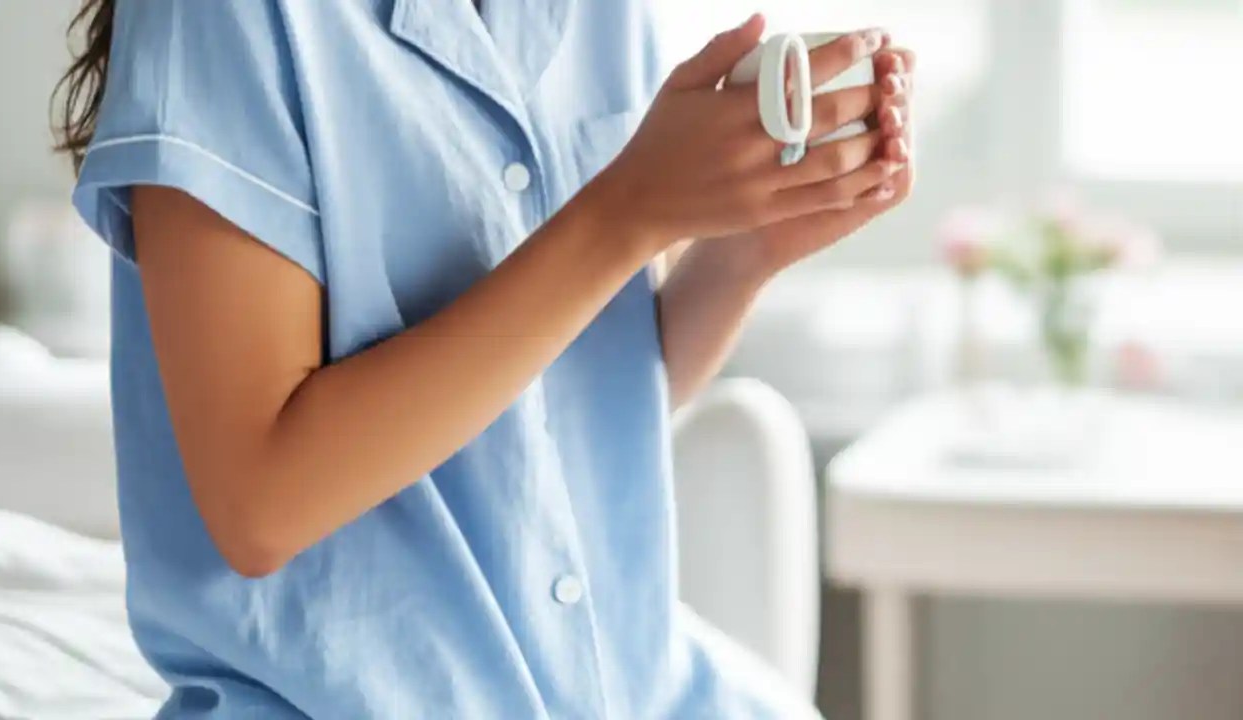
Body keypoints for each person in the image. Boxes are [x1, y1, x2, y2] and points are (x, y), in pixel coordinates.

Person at [55, 0, 914, 717]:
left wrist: (746, 251)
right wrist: (628, 214)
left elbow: (582, 411)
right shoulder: (225, 18)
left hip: (629, 687)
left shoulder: (598, 15)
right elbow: (260, 502)